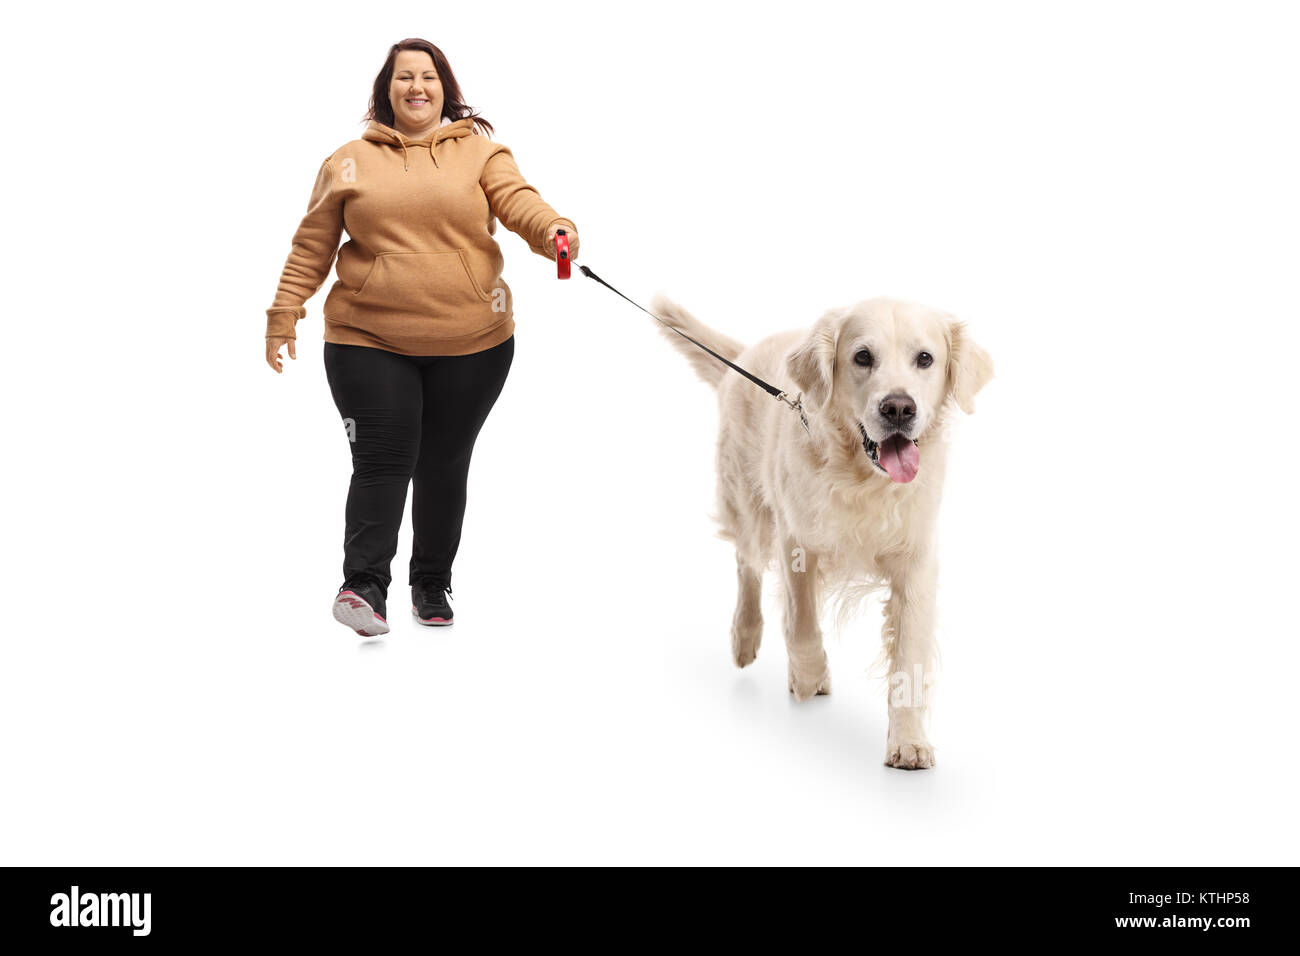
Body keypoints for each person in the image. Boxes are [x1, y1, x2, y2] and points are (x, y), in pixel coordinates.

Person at [264, 38, 579, 636]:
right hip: (366, 336)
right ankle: (364, 587)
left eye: (428, 77)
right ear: (386, 90)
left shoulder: (481, 154)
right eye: (404, 77)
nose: (417, 87)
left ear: (445, 88)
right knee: (383, 456)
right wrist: (285, 312)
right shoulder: (349, 160)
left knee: (442, 462)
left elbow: (520, 204)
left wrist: (555, 230)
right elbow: (313, 244)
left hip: (474, 340)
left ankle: (431, 581)